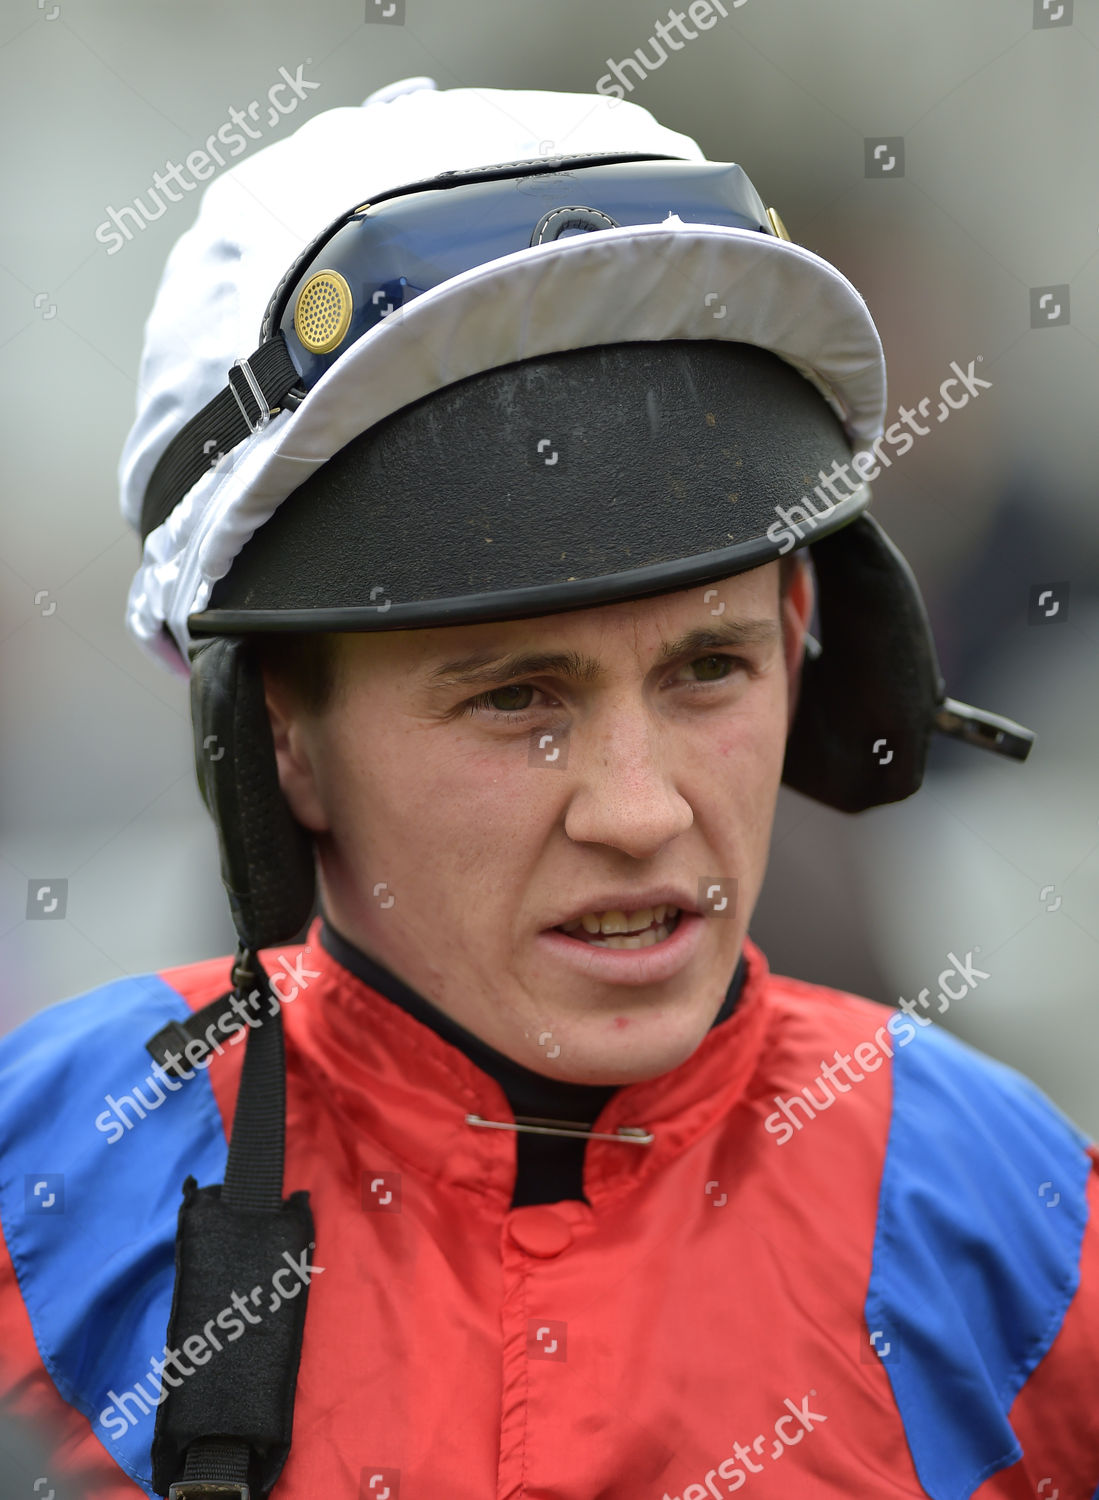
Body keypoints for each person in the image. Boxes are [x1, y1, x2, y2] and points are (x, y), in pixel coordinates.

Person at [0, 76, 1094, 1500]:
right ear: (280, 738)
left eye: (709, 668)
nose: (640, 812)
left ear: (808, 647)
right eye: (517, 698)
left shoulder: (1020, 1230)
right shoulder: (41, 1189)